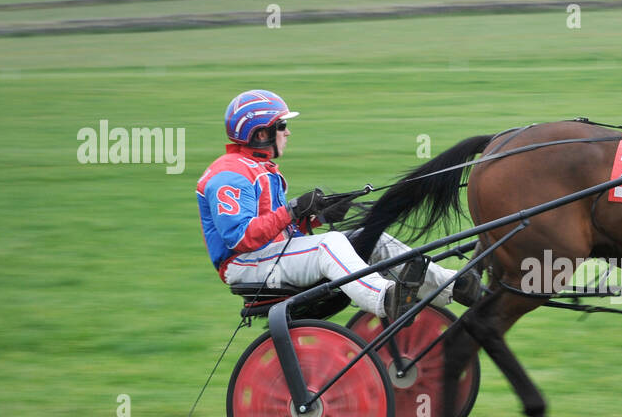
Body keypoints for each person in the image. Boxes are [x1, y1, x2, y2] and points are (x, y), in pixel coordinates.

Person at [195, 90, 476, 318]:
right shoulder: (229, 174)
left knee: (372, 239)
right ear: (260, 134)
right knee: (329, 244)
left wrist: (317, 216)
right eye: (281, 126)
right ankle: (384, 298)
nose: (287, 133)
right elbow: (241, 237)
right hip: (245, 264)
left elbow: (279, 230)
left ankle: (453, 285)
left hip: (270, 256)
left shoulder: (259, 167)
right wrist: (292, 210)